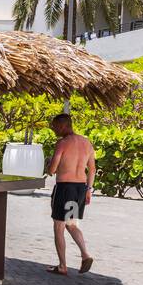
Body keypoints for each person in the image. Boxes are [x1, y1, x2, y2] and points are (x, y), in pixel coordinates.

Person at [45, 113, 96, 275]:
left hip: (65, 188)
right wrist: (89, 189)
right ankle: (85, 254)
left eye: (54, 126)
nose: (53, 129)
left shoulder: (62, 143)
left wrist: (48, 164)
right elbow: (92, 169)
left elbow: (52, 169)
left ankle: (62, 266)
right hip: (80, 188)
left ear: (62, 126)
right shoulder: (86, 143)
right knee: (71, 223)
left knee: (59, 226)